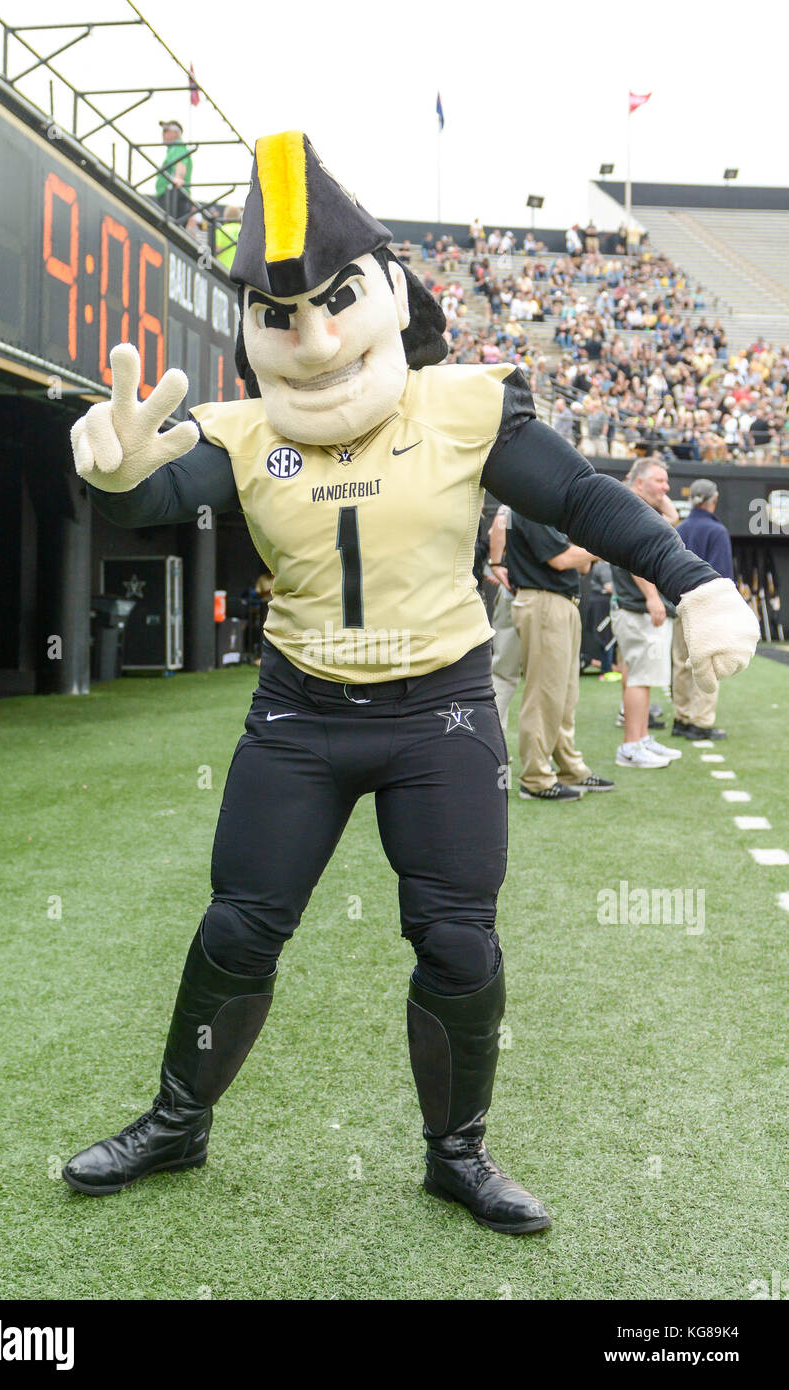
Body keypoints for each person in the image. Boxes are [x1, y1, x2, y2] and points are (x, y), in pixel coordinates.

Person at [66, 130, 758, 1235]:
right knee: (239, 926)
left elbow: (579, 498)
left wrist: (686, 575)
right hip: (299, 711)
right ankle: (176, 1119)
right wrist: (108, 466)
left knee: (455, 938)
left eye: (329, 304)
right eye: (279, 315)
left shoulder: (461, 403)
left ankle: (455, 1151)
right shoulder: (243, 427)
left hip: (436, 710)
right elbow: (148, 496)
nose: (312, 336)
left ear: (384, 293)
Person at [506, 513, 614, 800]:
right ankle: (536, 778)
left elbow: (580, 565)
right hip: (544, 602)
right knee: (544, 695)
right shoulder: (528, 505)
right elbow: (561, 559)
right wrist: (603, 545)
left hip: (559, 602)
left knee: (564, 696)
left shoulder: (542, 506)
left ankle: (569, 768)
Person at [610, 459, 683, 768]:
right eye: (659, 481)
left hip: (638, 608)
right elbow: (634, 558)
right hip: (639, 607)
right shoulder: (630, 510)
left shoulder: (638, 508)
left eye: (667, 481)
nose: (666, 487)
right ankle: (631, 746)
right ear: (638, 483)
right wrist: (652, 597)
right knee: (640, 679)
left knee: (643, 678)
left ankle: (640, 739)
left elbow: (673, 516)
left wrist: (656, 490)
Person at [672, 479, 732, 740]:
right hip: (706, 607)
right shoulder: (717, 531)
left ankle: (681, 718)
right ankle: (701, 722)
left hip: (681, 603)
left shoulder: (680, 529)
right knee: (708, 666)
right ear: (713, 499)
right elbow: (721, 574)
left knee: (680, 663)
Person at [486, 506, 520, 731]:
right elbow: (499, 522)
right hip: (517, 593)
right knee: (504, 674)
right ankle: (496, 744)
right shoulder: (516, 501)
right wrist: (496, 565)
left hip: (543, 592)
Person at [154, 120, 193, 225]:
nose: (163, 134)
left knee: (170, 228)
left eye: (166, 130)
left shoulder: (178, 146)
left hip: (173, 196)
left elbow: (180, 163)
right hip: (170, 195)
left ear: (176, 133)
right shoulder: (173, 148)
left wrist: (178, 178)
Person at [215, 206, 242, 271]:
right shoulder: (243, 229)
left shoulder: (221, 229)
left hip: (223, 268)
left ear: (226, 216)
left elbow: (216, 249)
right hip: (240, 270)